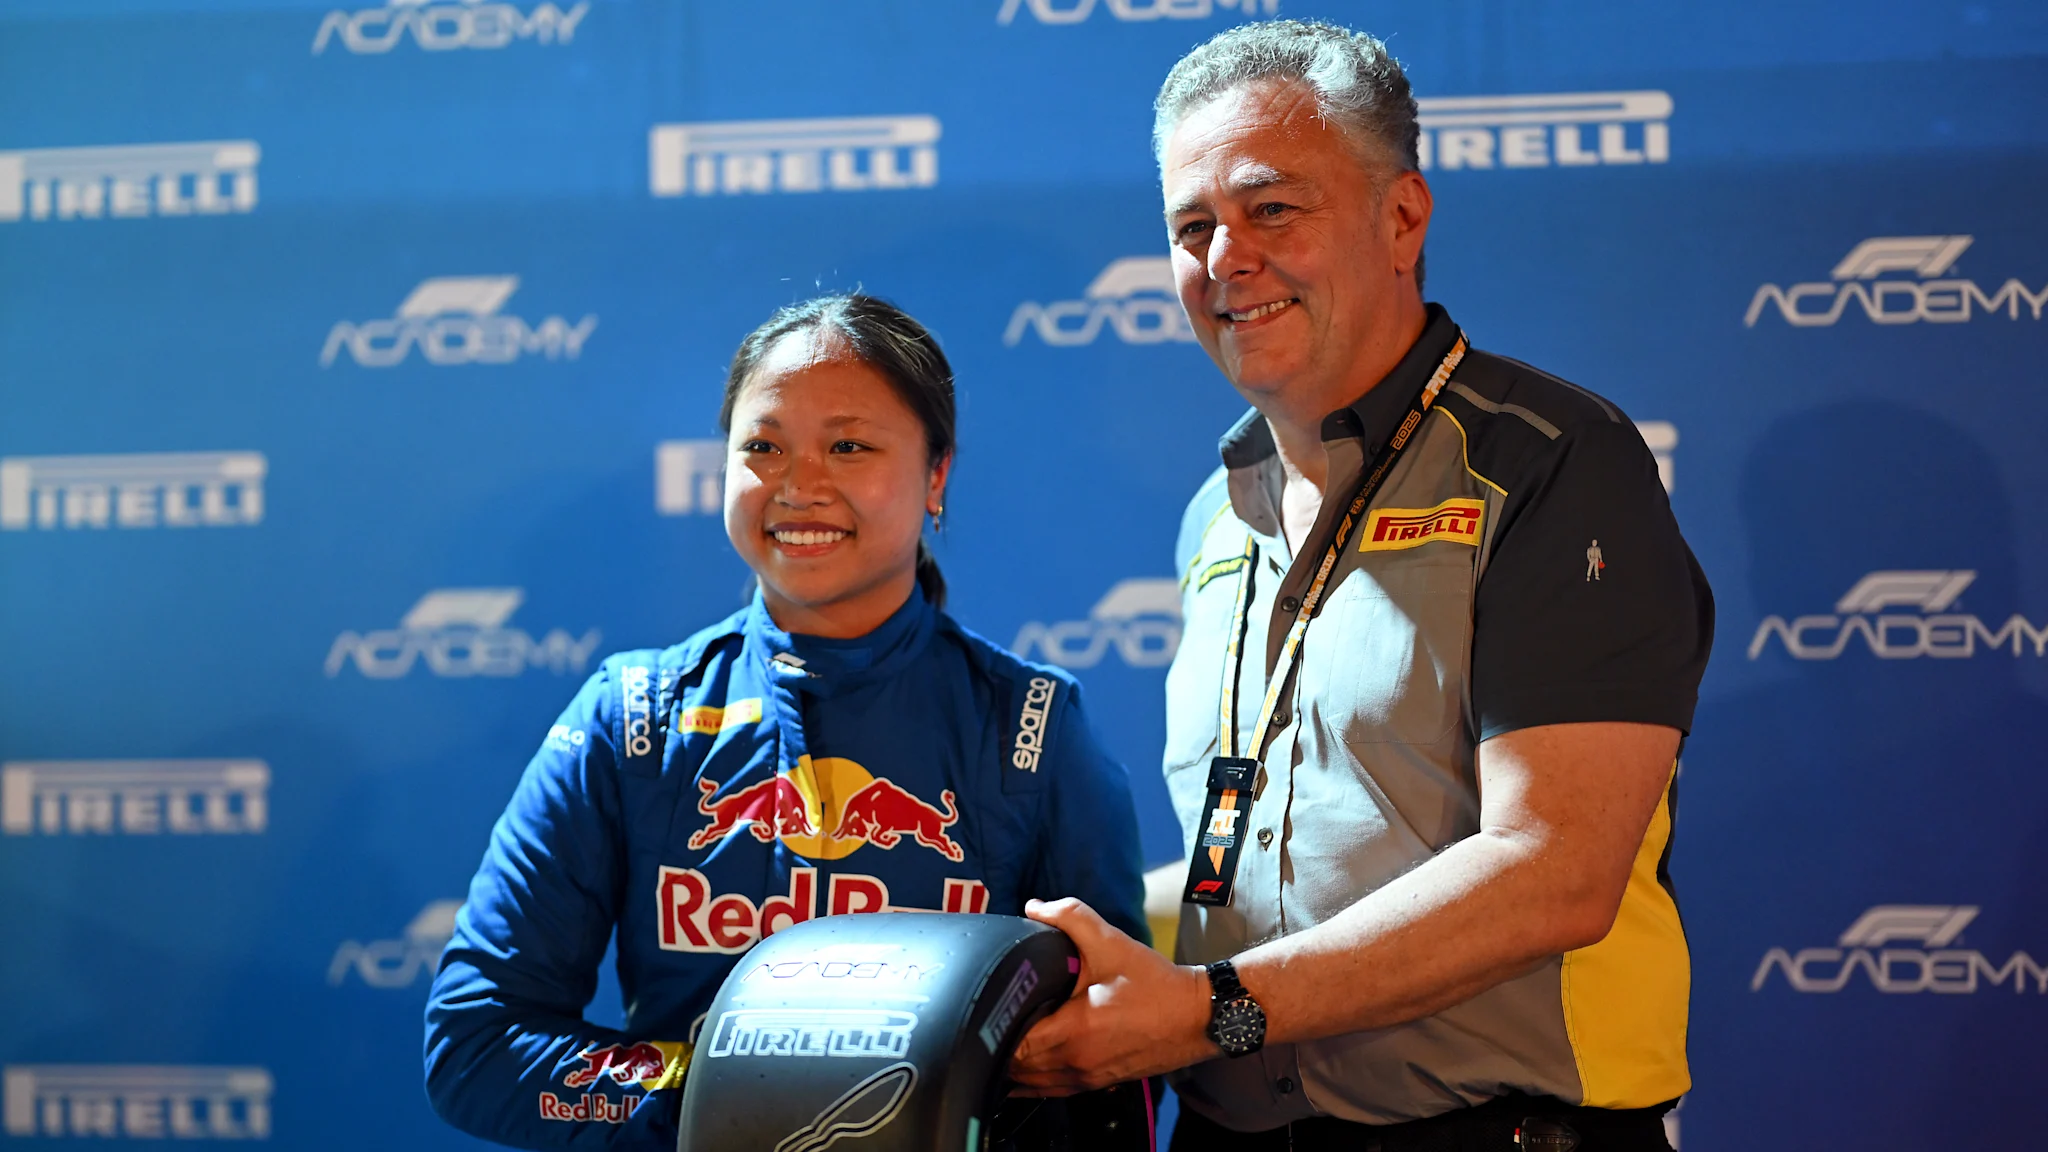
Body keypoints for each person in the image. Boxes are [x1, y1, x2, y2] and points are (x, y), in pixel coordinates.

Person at [1009, 20, 1714, 1152]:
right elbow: (1249, 869)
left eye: (1270, 208)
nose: (1224, 257)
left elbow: (1554, 873)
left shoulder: (1550, 463)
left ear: (1401, 218)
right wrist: (1017, 948)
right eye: (1191, 227)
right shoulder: (1216, 511)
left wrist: (1205, 1009)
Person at [425, 294, 1148, 1150]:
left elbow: (1119, 1059)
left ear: (937, 476)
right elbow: (475, 1046)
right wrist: (717, 1094)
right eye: (762, 447)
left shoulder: (1029, 727)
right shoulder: (634, 718)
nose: (800, 486)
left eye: (848, 446)